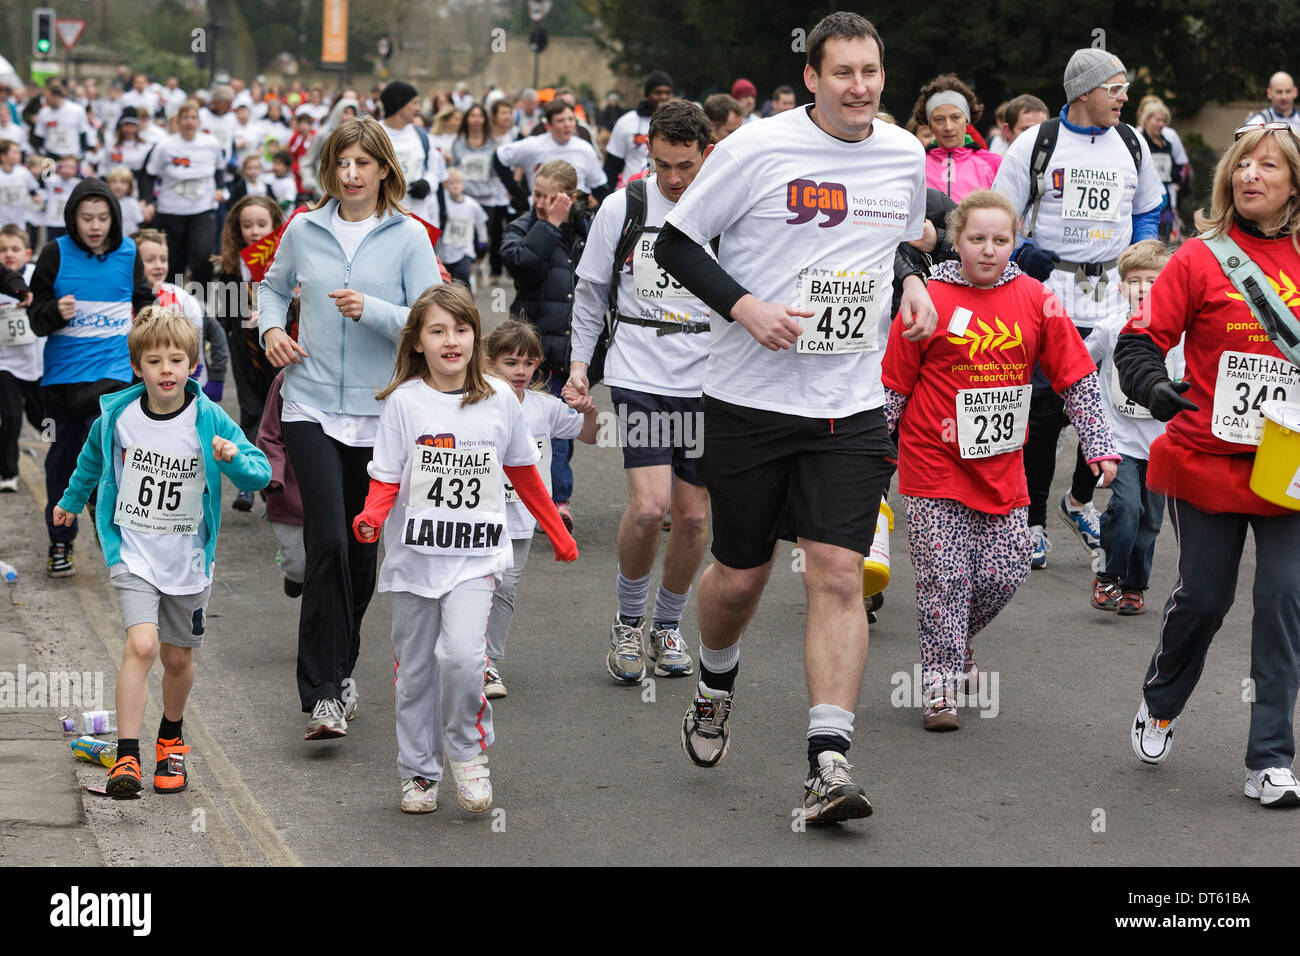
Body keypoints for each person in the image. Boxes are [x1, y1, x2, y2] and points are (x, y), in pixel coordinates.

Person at [655, 11, 937, 823]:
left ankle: (827, 760)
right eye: (843, 73)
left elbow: (901, 238)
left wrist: (912, 279)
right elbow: (677, 243)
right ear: (811, 77)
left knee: (838, 573)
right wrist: (743, 307)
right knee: (739, 575)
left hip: (848, 406)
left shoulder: (903, 152)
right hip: (748, 399)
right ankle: (714, 680)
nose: (860, 87)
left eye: (872, 72)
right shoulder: (756, 148)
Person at [882, 190, 1117, 730]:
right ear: (957, 241)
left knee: (1005, 572)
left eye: (1001, 240)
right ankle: (940, 686)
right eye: (977, 239)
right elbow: (894, 383)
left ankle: (950, 643)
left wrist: (1100, 443)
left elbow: (1076, 376)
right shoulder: (928, 297)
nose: (988, 250)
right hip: (933, 460)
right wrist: (871, 456)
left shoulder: (1038, 298)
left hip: (1001, 466)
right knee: (944, 579)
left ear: (1015, 242)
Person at [1116, 122, 1300, 807]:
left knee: (1285, 601)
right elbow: (1139, 344)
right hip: (1207, 457)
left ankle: (1271, 761)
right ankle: (1161, 700)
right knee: (1206, 598)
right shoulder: (1200, 259)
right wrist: (1155, 389)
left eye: (1269, 165)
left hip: (1288, 461)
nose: (1252, 174)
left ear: (1293, 183)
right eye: (1243, 164)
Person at [350, 284, 577, 814]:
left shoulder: (499, 399)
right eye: (437, 331)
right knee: (415, 672)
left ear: (475, 336)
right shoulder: (404, 403)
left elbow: (522, 471)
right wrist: (371, 517)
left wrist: (558, 533)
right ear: (417, 343)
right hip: (414, 561)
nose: (451, 340)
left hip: (477, 557)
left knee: (460, 658)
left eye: (461, 329)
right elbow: (385, 478)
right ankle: (419, 774)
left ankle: (468, 754)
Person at [259, 116, 439, 741]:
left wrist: (378, 311)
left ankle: (342, 670)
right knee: (329, 543)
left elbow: (433, 318)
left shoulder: (409, 235)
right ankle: (323, 694)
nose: (352, 174)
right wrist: (273, 330)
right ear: (328, 169)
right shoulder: (304, 229)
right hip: (308, 407)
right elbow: (271, 289)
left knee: (363, 555)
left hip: (381, 416)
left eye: (363, 163)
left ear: (385, 169)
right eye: (341, 163)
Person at [51, 307, 270, 797]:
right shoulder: (117, 418)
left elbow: (260, 472)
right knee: (143, 645)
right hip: (133, 550)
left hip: (189, 560)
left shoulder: (208, 417)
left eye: (176, 360)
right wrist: (68, 503)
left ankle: (170, 738)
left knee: (176, 658)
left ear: (193, 364)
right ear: (138, 367)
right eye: (155, 361)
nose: (166, 370)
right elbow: (89, 463)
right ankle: (126, 758)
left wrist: (234, 459)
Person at [992, 47, 1165, 569]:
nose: (1124, 97)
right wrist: (1022, 252)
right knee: (1044, 416)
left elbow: (1149, 210)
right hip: (1053, 295)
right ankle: (1034, 522)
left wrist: (1142, 259)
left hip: (1114, 296)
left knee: (1105, 411)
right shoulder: (1037, 143)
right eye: (1115, 88)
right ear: (1084, 91)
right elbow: (997, 211)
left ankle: (1079, 502)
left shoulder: (1131, 143)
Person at [566, 99, 715, 684]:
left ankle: (667, 625)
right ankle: (629, 621)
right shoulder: (623, 205)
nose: (673, 179)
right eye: (662, 165)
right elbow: (589, 291)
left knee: (694, 519)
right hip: (639, 370)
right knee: (651, 507)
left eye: (685, 165)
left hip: (708, 377)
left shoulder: (729, 210)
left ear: (707, 154)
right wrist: (580, 367)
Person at [28, 178, 154, 577]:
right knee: (63, 466)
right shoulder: (54, 253)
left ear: (115, 218)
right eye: (87, 218)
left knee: (107, 459)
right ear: (73, 218)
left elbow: (144, 302)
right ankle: (61, 541)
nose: (95, 225)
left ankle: (114, 538)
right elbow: (34, 320)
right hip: (63, 382)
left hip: (113, 378)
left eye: (103, 218)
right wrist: (53, 312)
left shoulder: (128, 251)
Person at [483, 319, 596, 697]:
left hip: (521, 519)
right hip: (480, 515)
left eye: (528, 363)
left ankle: (487, 664)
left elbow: (589, 433)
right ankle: (466, 658)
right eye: (510, 362)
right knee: (477, 587)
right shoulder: (475, 402)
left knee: (505, 588)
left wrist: (589, 409)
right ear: (488, 361)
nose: (520, 371)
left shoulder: (543, 407)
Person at [1086, 239, 1178, 615]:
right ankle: (1108, 575)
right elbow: (1080, 363)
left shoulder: (1181, 335)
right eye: (1135, 281)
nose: (1143, 289)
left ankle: (1136, 584)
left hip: (1162, 443)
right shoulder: (1110, 328)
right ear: (1122, 286)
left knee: (1150, 520)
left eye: (1153, 281)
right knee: (1126, 508)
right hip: (1117, 438)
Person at [501, 159, 593, 529]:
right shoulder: (522, 227)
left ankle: (558, 499)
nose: (539, 202)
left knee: (563, 424)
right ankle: (537, 497)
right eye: (537, 195)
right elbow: (521, 265)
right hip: (531, 347)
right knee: (528, 425)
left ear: (570, 198)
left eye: (549, 197)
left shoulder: (586, 228)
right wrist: (549, 225)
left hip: (572, 346)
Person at [212, 195, 283, 514]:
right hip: (243, 346)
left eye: (262, 225)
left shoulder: (283, 260)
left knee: (277, 413)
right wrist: (240, 313)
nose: (255, 231)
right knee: (250, 409)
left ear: (275, 226)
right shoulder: (230, 264)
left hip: (277, 346)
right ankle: (247, 480)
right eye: (247, 225)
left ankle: (273, 478)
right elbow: (223, 312)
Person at [145, 100, 225, 286]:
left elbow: (220, 168)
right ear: (178, 121)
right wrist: (148, 201)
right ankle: (173, 305)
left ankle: (201, 302)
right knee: (174, 261)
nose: (189, 122)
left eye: (193, 118)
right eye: (185, 118)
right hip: (171, 210)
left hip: (202, 209)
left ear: (199, 121)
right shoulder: (165, 145)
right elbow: (149, 175)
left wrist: (220, 188)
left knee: (203, 254)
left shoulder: (210, 143)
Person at [495, 99, 608, 205]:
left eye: (571, 119)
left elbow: (599, 185)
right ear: (548, 125)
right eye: (560, 120)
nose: (567, 125)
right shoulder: (533, 145)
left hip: (575, 215)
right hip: (541, 213)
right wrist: (518, 195)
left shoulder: (585, 148)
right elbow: (499, 156)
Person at [257, 368, 306, 598]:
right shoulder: (286, 379)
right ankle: (293, 574)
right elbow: (269, 434)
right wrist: (274, 476)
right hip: (291, 493)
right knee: (297, 562)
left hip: (335, 494)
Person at [912, 74, 1001, 201]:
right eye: (939, 119)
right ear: (929, 125)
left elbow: (1011, 213)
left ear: (967, 120)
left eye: (955, 117)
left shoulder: (993, 163)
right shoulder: (916, 165)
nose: (948, 127)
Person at [0, 224, 40, 494]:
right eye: (2, 250)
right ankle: (7, 472)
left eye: (15, 249)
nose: (8, 254)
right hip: (6, 364)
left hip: (38, 364)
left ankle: (75, 458)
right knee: (11, 417)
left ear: (27, 253)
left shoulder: (37, 277)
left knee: (42, 418)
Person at [453, 103, 511, 281]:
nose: (476, 119)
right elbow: (454, 168)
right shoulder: (458, 144)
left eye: (480, 116)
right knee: (466, 237)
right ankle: (467, 272)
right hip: (465, 197)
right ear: (467, 119)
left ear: (485, 119)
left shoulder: (493, 145)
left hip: (486, 198)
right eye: (472, 115)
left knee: (483, 237)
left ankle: (478, 260)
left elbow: (497, 171)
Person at [379, 81, 444, 228]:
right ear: (399, 104)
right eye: (414, 103)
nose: (418, 108)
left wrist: (427, 184)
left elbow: (435, 170)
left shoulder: (422, 136)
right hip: (382, 218)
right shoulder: (373, 133)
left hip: (417, 219)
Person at [603, 72, 673, 189]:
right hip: (631, 192)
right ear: (647, 95)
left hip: (666, 192)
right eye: (658, 92)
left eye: (667, 93)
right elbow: (612, 166)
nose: (663, 97)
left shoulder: (678, 122)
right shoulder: (626, 122)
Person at [1135, 97, 1189, 243]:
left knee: (1163, 242)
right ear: (1146, 119)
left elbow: (1180, 167)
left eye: (1164, 121)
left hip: (1166, 201)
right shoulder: (1138, 141)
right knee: (1145, 242)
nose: (1161, 124)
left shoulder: (1168, 143)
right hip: (1145, 199)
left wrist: (1177, 184)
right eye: (1157, 120)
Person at [434, 168, 488, 289]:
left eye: (458, 183)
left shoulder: (472, 205)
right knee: (446, 285)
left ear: (463, 185)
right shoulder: (442, 204)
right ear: (446, 186)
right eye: (451, 183)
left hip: (464, 250)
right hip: (444, 251)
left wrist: (483, 243)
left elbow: (481, 223)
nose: (455, 186)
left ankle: (468, 304)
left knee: (462, 276)